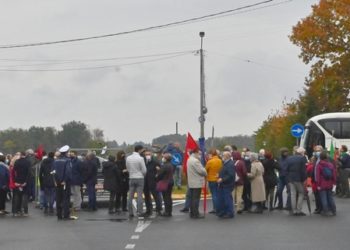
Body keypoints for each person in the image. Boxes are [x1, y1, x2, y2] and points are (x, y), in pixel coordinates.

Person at [126, 145, 147, 218]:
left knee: (130, 196)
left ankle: (130, 212)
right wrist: (142, 174)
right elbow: (144, 170)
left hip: (131, 177)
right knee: (139, 195)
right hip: (140, 178)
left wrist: (131, 173)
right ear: (139, 150)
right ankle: (140, 212)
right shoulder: (140, 158)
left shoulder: (128, 158)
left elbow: (128, 168)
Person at [53, 145, 73, 220]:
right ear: (66, 152)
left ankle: (59, 215)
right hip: (65, 183)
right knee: (66, 199)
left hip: (57, 182)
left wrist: (55, 180)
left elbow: (53, 172)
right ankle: (66, 215)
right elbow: (68, 172)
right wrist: (64, 180)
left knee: (58, 198)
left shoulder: (56, 160)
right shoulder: (68, 160)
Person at [286, 147, 307, 216]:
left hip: (291, 178)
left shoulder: (289, 158)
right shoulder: (302, 158)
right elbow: (303, 170)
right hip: (298, 179)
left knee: (293, 194)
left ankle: (294, 210)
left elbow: (286, 169)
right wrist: (304, 179)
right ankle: (298, 210)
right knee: (301, 193)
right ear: (301, 153)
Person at [187, 149, 207, 219]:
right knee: (196, 199)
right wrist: (205, 170)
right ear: (195, 153)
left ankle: (192, 213)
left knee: (192, 198)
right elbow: (202, 171)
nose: (200, 155)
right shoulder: (195, 161)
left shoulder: (189, 159)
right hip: (197, 182)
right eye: (199, 153)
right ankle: (196, 213)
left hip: (192, 182)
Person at [316, 151, 337, 216]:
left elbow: (317, 176)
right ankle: (333, 210)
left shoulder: (319, 165)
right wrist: (334, 182)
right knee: (330, 197)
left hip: (322, 183)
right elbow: (334, 174)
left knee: (323, 198)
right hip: (329, 183)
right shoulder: (330, 164)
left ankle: (326, 211)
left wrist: (318, 184)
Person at [143, 149, 162, 217]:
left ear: (151, 154)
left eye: (149, 154)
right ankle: (148, 210)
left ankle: (158, 209)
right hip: (145, 181)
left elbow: (160, 170)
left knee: (156, 196)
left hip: (153, 181)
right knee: (147, 196)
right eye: (146, 155)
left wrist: (157, 174)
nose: (147, 156)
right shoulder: (143, 161)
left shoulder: (155, 161)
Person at [216, 151, 235, 219]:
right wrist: (219, 175)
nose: (221, 156)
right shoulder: (225, 163)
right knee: (222, 199)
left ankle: (230, 213)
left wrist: (222, 179)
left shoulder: (230, 164)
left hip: (227, 184)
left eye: (223, 155)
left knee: (227, 199)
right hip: (223, 184)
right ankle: (223, 212)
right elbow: (225, 172)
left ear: (227, 156)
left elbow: (230, 175)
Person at [13, 152, 31, 217]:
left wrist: (15, 181)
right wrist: (26, 182)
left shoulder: (17, 162)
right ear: (25, 155)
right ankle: (25, 212)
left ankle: (17, 211)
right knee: (25, 197)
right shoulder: (28, 162)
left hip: (18, 181)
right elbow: (29, 173)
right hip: (25, 182)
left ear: (20, 155)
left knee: (17, 197)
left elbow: (14, 172)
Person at [205, 148, 223, 214]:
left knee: (214, 195)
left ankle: (215, 208)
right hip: (218, 179)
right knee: (218, 194)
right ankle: (218, 207)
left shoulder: (210, 161)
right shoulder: (220, 160)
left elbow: (205, 170)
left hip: (211, 179)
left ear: (211, 154)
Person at [156, 153, 174, 217]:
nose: (162, 158)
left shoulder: (165, 165)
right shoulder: (171, 165)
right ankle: (169, 211)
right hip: (171, 182)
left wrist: (157, 178)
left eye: (163, 157)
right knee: (169, 197)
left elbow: (160, 174)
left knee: (166, 197)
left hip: (165, 182)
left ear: (166, 159)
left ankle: (167, 212)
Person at [311, 145, 323, 214]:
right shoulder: (314, 158)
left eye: (318, 151)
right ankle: (318, 208)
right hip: (315, 180)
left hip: (321, 180)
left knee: (320, 195)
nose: (317, 152)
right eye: (316, 151)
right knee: (316, 195)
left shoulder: (323, 159)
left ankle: (321, 208)